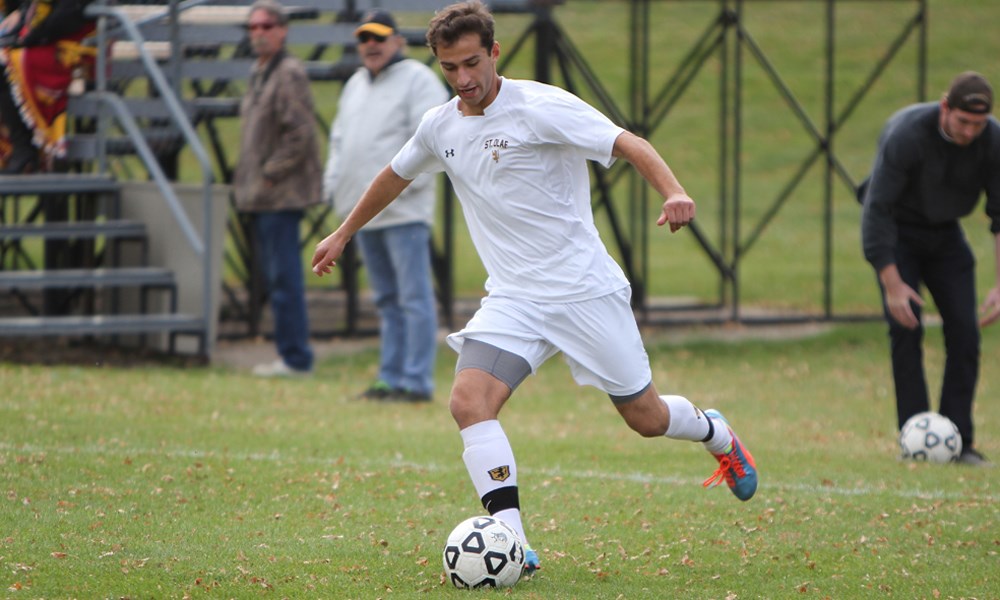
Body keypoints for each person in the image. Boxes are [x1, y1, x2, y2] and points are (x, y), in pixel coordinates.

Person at [311, 0, 758, 573]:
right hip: (514, 298)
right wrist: (343, 232)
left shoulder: (542, 107)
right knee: (469, 403)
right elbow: (396, 173)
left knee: (645, 418)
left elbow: (627, 142)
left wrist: (672, 191)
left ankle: (715, 432)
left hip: (583, 292)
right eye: (450, 68)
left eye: (473, 63)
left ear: (495, 52)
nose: (464, 79)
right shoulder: (439, 125)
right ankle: (514, 546)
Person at [860, 71, 1000, 467]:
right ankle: (915, 435)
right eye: (962, 121)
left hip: (945, 236)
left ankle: (960, 441)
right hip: (898, 233)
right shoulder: (907, 135)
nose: (970, 131)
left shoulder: (993, 140)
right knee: (906, 327)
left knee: (966, 334)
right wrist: (892, 285)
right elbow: (877, 211)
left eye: (978, 124)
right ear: (945, 108)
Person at [323, 9, 448, 402]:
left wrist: (404, 191)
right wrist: (334, 187)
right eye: (364, 39)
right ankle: (389, 377)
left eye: (379, 38)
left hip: (404, 212)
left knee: (412, 298)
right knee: (386, 300)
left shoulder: (419, 80)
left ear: (397, 41)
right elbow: (339, 141)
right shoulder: (355, 84)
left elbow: (433, 141)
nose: (371, 45)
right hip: (362, 214)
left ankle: (416, 382)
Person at [233, 0, 321, 377]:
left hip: (281, 196)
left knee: (285, 281)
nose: (259, 33)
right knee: (276, 279)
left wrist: (271, 173)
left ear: (282, 31)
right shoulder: (260, 71)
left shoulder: (288, 72)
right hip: (262, 197)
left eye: (267, 26)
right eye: (253, 27)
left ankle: (296, 358)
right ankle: (289, 354)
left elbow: (300, 131)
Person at [0, 0, 97, 174]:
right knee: (5, 58)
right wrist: (22, 15)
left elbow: (68, 15)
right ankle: (23, 149)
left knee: (7, 63)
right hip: (48, 38)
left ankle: (25, 150)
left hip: (77, 46)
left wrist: (30, 38)